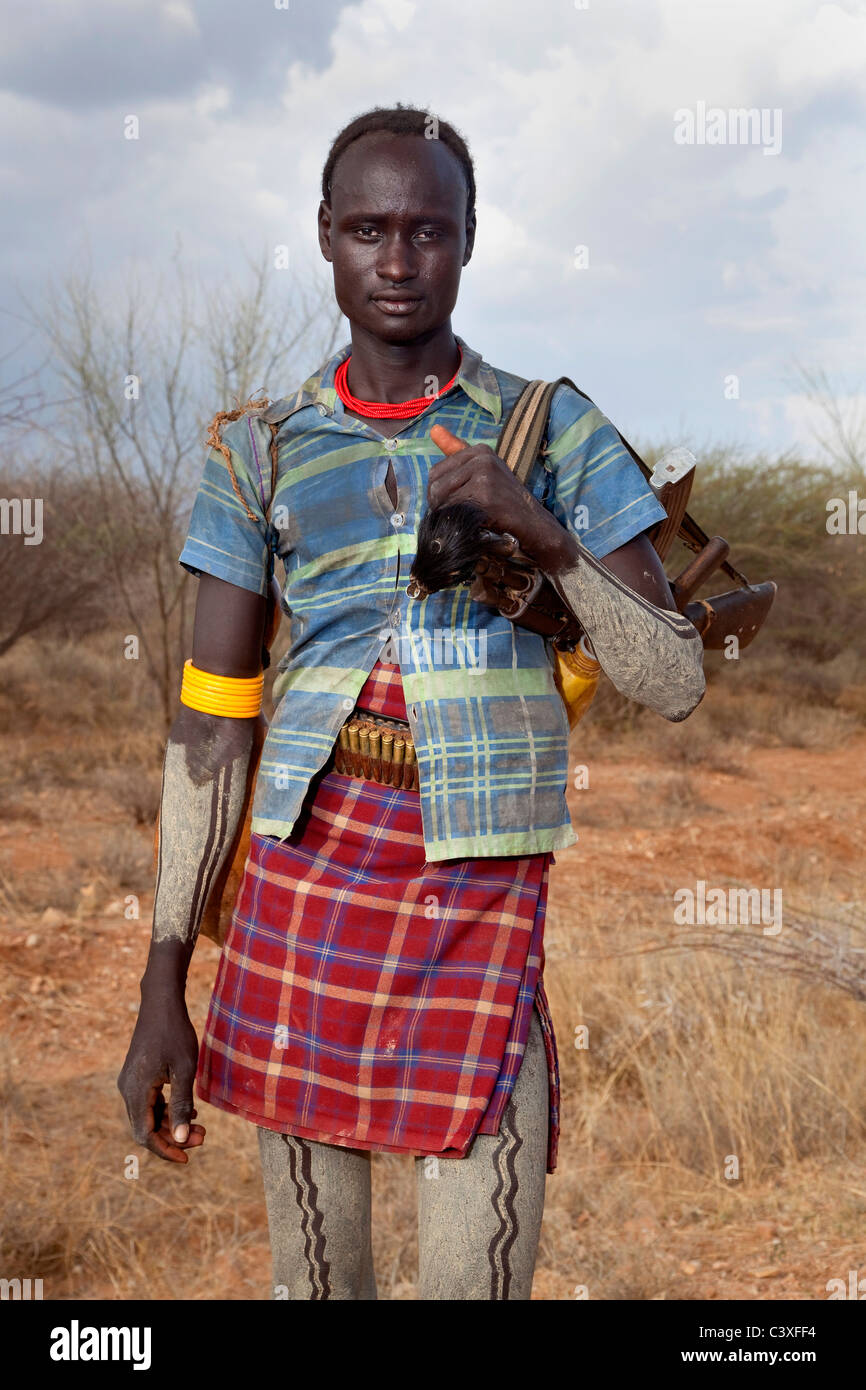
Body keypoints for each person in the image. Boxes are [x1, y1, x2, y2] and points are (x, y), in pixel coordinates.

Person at [118, 103, 705, 1301]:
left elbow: (674, 677)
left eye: (427, 230)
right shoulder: (259, 453)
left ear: (469, 239)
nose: (397, 260)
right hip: (301, 888)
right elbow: (210, 729)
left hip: (473, 895)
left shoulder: (553, 431)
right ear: (325, 238)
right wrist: (161, 982)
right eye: (368, 229)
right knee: (319, 1286)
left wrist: (539, 531)